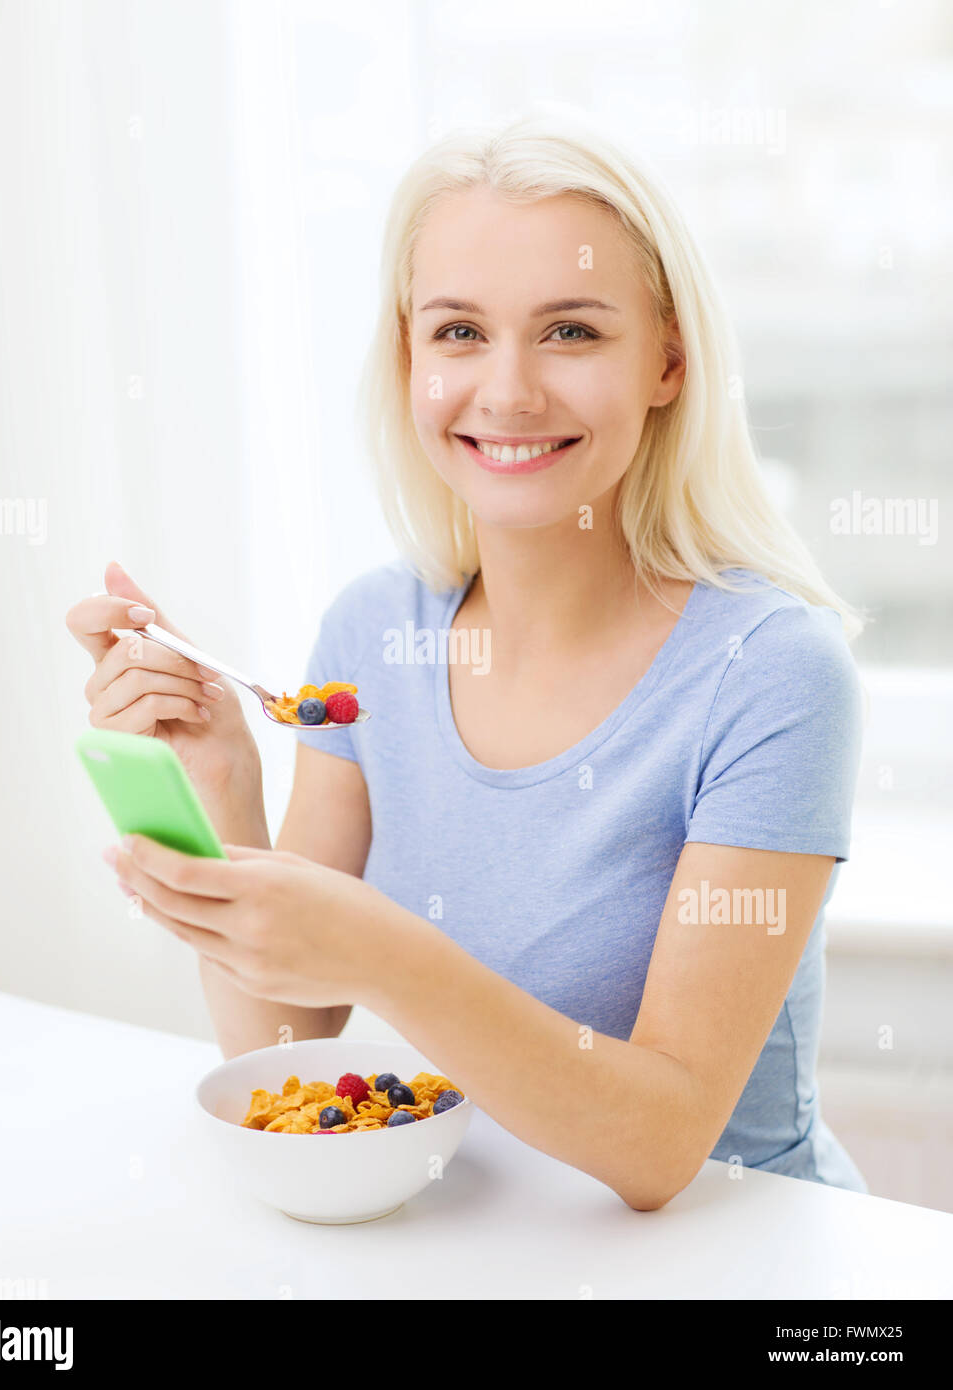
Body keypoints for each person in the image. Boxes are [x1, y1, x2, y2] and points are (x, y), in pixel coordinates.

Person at [67, 114, 868, 1210]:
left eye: (571, 332)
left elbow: (660, 1145)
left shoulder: (772, 672)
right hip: (493, 1236)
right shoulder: (369, 638)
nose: (507, 391)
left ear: (667, 361)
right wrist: (221, 789)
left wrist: (390, 956)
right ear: (407, 358)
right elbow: (286, 1048)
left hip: (739, 1260)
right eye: (457, 333)